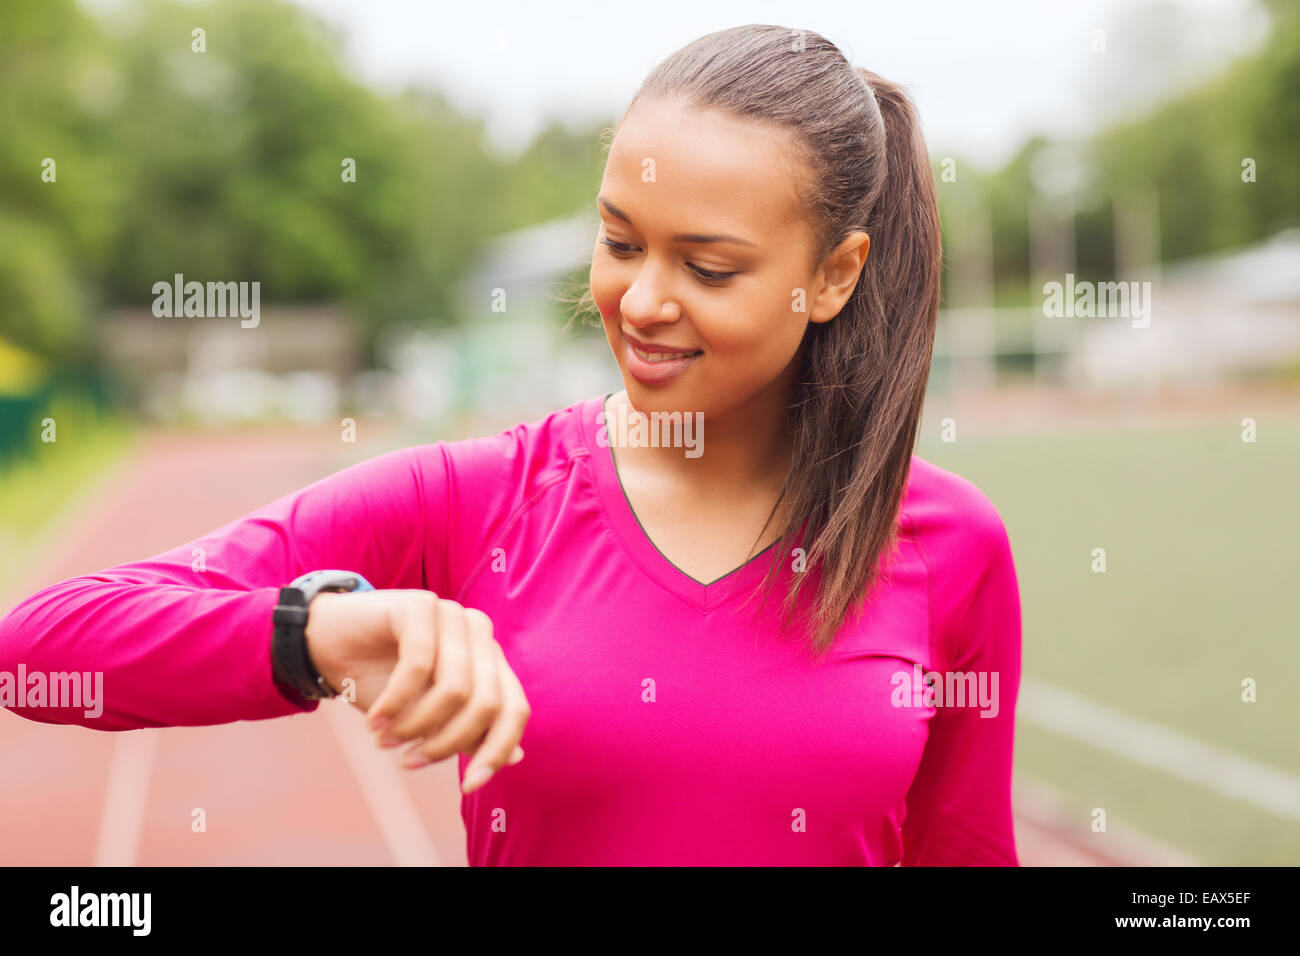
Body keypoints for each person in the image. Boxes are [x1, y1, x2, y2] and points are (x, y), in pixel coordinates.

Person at [0, 24, 1022, 866]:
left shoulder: (950, 545)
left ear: (835, 276)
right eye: (620, 241)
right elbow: (37, 646)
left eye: (708, 267)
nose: (642, 300)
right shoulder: (482, 498)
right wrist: (317, 631)